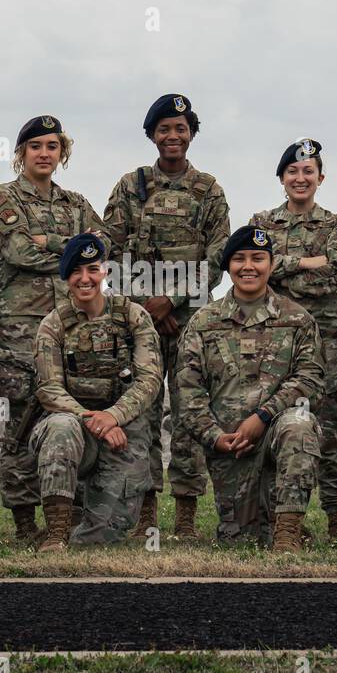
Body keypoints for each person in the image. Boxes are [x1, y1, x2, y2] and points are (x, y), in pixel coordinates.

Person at [103, 93, 231, 539]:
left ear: (191, 134)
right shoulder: (130, 186)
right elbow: (110, 250)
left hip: (193, 322)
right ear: (152, 135)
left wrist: (171, 301)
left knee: (190, 414)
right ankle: (144, 515)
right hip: (140, 322)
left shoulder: (209, 190)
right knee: (141, 415)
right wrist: (145, 306)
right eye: (163, 129)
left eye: (180, 128)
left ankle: (186, 517)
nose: (172, 136)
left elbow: (219, 256)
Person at [0, 115, 108, 541]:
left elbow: (103, 245)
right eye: (35, 146)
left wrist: (49, 243)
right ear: (20, 154)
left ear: (62, 153)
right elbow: (18, 251)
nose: (43, 153)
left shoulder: (75, 203)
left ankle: (66, 515)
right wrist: (71, 250)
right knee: (21, 420)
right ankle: (23, 523)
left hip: (71, 327)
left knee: (68, 414)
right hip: (18, 327)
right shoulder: (5, 197)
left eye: (52, 146)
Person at [177, 225, 324, 551]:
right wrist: (216, 437)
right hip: (230, 445)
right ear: (228, 266)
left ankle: (288, 534)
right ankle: (271, 525)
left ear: (271, 265)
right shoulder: (204, 322)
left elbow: (310, 379)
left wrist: (263, 417)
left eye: (258, 258)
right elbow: (188, 392)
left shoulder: (297, 319)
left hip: (275, 433)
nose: (248, 266)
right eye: (239, 258)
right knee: (241, 540)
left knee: (298, 425)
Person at [248, 139, 337, 541]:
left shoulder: (336, 225)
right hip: (275, 342)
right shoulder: (261, 223)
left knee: (331, 433)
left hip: (329, 342)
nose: (300, 178)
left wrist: (282, 266)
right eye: (292, 171)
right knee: (280, 426)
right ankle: (285, 519)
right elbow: (257, 272)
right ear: (281, 178)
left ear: (320, 178)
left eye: (308, 171)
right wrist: (306, 262)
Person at [30, 234, 163, 549]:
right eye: (76, 271)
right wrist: (91, 419)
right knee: (59, 425)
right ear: (66, 278)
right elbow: (50, 389)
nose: (85, 278)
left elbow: (149, 380)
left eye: (92, 269)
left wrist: (114, 416)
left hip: (123, 428)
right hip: (77, 427)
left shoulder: (133, 316)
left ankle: (82, 527)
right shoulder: (53, 325)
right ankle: (56, 534)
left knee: (104, 537)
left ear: (105, 271)